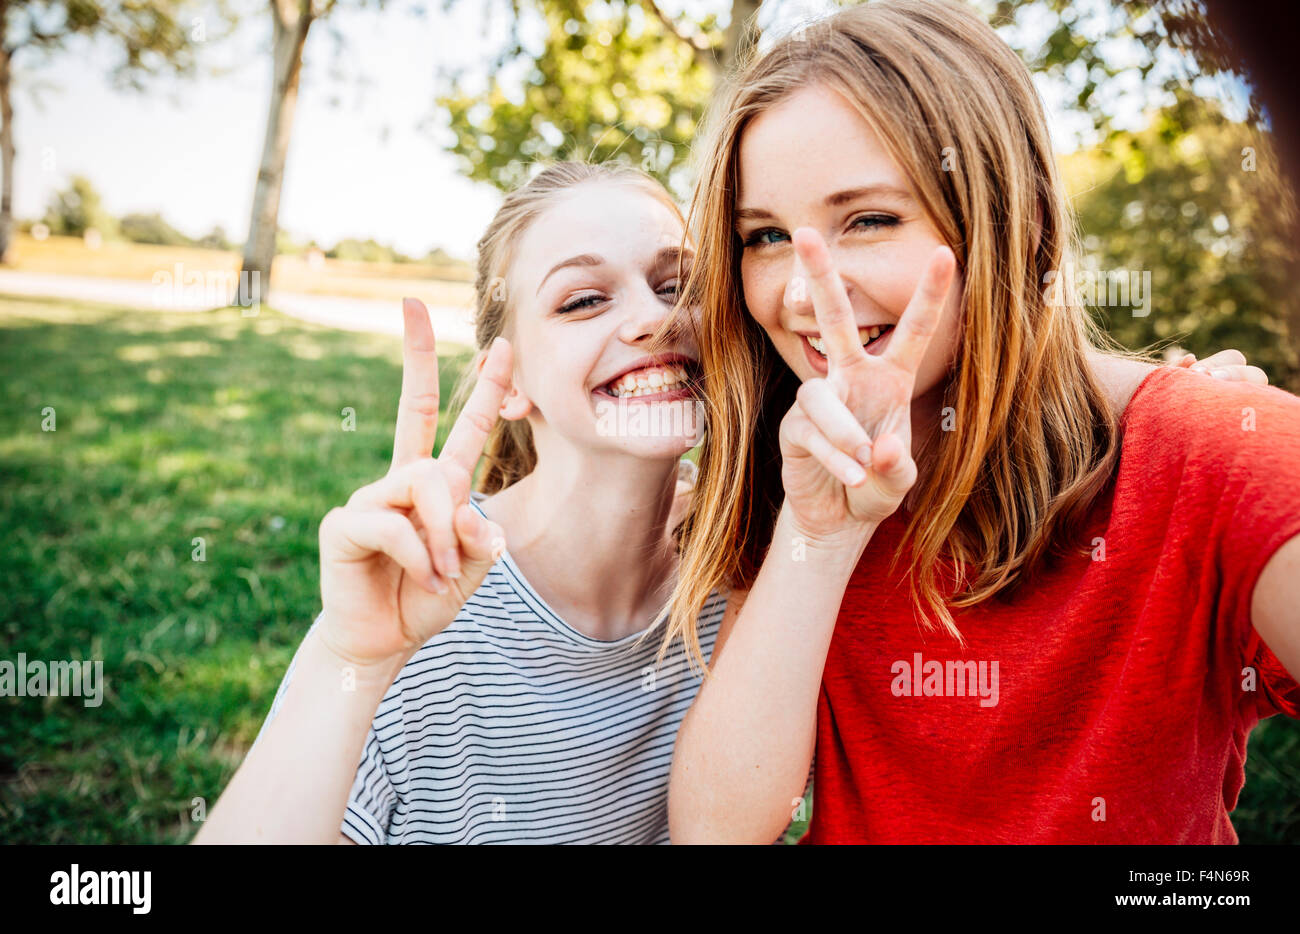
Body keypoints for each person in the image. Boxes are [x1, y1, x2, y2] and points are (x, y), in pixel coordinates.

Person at [664, 0, 1299, 844]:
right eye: (767, 236)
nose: (802, 290)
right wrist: (817, 543)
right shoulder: (793, 470)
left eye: (871, 220)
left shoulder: (1214, 444)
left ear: (1020, 222)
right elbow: (716, 832)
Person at [195, 162, 724, 844]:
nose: (657, 318)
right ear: (506, 384)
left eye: (677, 285)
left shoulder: (740, 574)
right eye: (584, 300)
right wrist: (351, 660)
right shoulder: (426, 592)